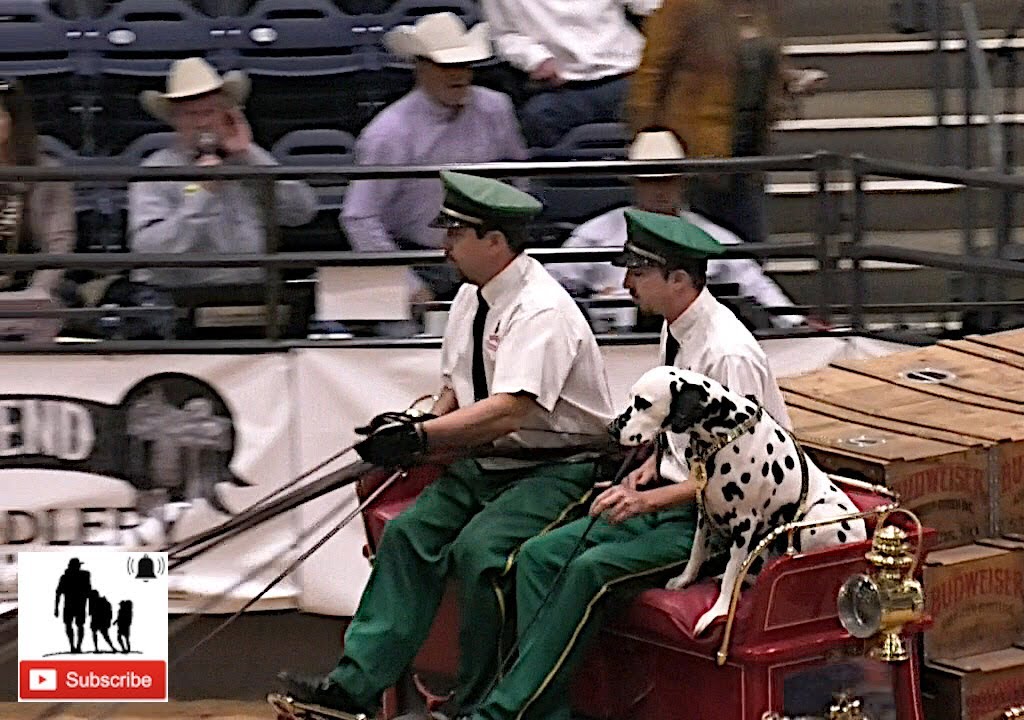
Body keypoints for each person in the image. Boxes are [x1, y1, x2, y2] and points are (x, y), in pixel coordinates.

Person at [278, 171, 616, 718]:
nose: (444, 245)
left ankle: (479, 698)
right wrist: (417, 432)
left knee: (482, 554)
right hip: (485, 462)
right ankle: (353, 688)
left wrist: (422, 437)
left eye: (456, 233)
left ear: (495, 241)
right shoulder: (468, 298)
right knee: (409, 534)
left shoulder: (542, 310)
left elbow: (512, 407)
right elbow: (454, 390)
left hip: (557, 467)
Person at [461, 209, 790, 720]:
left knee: (591, 568)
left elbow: (740, 480)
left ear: (678, 279)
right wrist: (652, 465)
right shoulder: (677, 328)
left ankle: (504, 711)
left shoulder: (728, 354)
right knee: (539, 556)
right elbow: (682, 426)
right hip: (676, 500)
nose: (624, 283)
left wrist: (646, 499)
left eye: (638, 273)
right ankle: (545, 710)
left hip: (720, 526)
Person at [341, 13, 528, 306]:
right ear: (420, 68)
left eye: (463, 65)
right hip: (418, 260)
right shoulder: (389, 132)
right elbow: (360, 217)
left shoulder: (496, 109)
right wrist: (406, 284)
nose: (458, 75)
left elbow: (519, 178)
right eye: (446, 66)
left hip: (487, 257)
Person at [551, 128, 804, 329]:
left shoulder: (713, 237)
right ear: (635, 183)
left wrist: (796, 324)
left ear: (682, 182)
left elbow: (757, 286)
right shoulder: (595, 234)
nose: (661, 189)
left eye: (669, 180)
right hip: (613, 347)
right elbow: (548, 286)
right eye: (652, 180)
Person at [627, 0, 821, 244]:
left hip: (749, 149)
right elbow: (651, 73)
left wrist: (791, 80)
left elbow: (763, 61)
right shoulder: (684, 6)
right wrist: (649, 140)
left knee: (751, 242)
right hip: (697, 149)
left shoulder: (763, 8)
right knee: (702, 240)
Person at [128, 57, 317, 289]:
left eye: (209, 111)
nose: (202, 122)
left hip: (255, 292)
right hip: (181, 298)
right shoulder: (155, 172)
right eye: (190, 114)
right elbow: (149, 250)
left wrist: (249, 154)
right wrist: (202, 196)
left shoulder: (249, 161)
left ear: (228, 115)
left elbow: (302, 212)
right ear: (174, 120)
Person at [479, 0, 657, 148]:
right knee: (538, 119)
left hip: (624, 72)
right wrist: (536, 59)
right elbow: (504, 35)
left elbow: (651, 7)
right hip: (562, 87)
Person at [0, 78, 76, 305]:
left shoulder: (49, 173)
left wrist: (35, 295)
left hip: (32, 288)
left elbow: (59, 244)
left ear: (15, 120)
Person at [54, 557, 91, 653]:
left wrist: (56, 608)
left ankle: (73, 646)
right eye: (78, 565)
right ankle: (77, 646)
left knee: (70, 625)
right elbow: (88, 591)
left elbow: (58, 593)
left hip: (69, 605)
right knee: (79, 625)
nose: (79, 566)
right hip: (79, 605)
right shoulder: (85, 575)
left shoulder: (65, 577)